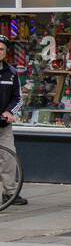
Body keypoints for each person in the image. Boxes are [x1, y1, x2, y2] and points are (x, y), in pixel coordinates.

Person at [0, 39, 26, 206]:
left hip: (4, 126)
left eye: (1, 49)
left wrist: (9, 112)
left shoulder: (11, 72)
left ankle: (10, 193)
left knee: (9, 159)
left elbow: (18, 98)